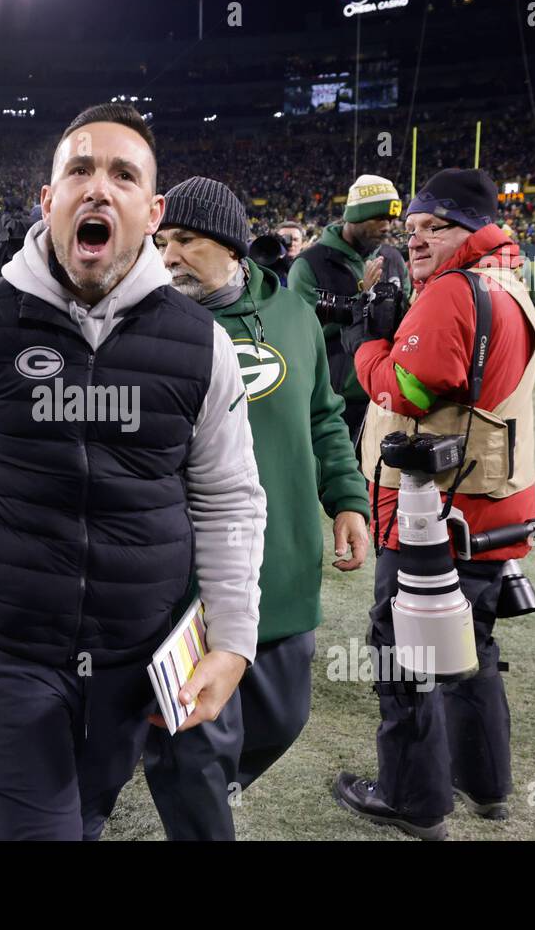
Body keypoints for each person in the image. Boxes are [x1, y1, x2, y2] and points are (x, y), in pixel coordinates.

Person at [0, 104, 266, 841]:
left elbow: (228, 498)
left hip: (134, 659)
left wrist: (233, 639)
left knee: (87, 813)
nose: (98, 188)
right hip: (5, 648)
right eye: (78, 171)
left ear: (152, 211)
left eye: (123, 175)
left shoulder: (202, 345)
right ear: (49, 201)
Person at [146, 176, 370, 840]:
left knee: (283, 719)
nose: (168, 256)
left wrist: (348, 500)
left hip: (285, 563)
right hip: (190, 578)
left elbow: (325, 417)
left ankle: (188, 767)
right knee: (195, 750)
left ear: (232, 245)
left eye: (184, 240)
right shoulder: (150, 326)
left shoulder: (294, 314)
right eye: (160, 242)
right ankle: (187, 778)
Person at [334, 168, 535, 840]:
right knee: (471, 647)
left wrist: (369, 344)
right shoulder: (509, 279)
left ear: (472, 230)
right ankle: (485, 784)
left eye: (435, 227)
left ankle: (411, 798)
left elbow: (410, 393)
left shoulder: (454, 290)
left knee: (404, 654)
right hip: (493, 500)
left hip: (436, 511)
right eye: (413, 227)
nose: (417, 240)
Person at [289, 175, 404, 442]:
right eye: (378, 218)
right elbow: (302, 330)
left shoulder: (393, 258)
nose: (387, 227)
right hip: (335, 402)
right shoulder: (310, 264)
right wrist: (362, 299)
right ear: (354, 217)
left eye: (390, 219)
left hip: (385, 394)